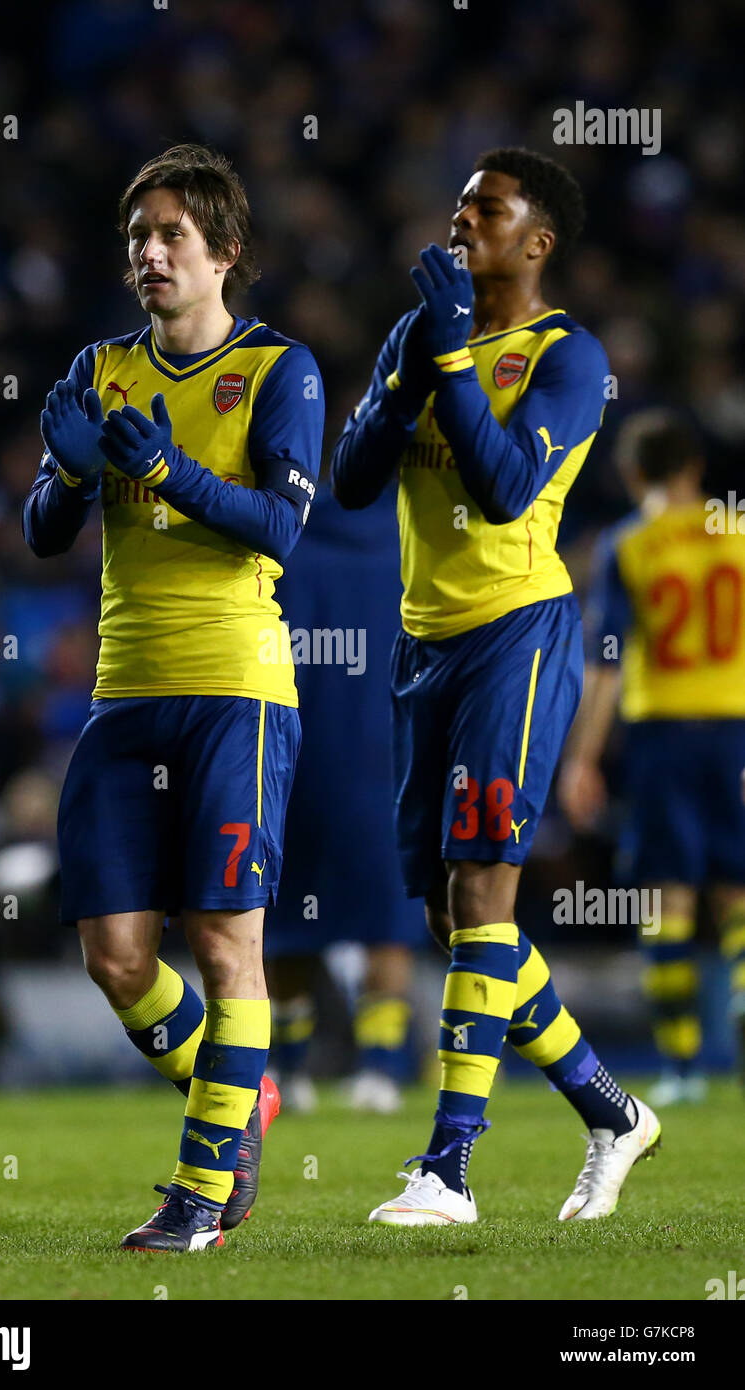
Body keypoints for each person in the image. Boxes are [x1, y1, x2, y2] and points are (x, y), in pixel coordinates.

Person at [332, 147, 660, 1225]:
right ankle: (610, 1111)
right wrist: (410, 370)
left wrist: (451, 364)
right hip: (421, 643)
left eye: (488, 206)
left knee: (482, 896)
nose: (462, 217)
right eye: (461, 201)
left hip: (515, 634)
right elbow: (351, 476)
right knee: (447, 915)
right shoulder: (420, 329)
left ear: (536, 241)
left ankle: (447, 1168)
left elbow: (510, 484)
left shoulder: (567, 355)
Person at [23, 144, 324, 1251]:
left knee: (221, 938)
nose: (149, 254)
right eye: (138, 239)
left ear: (223, 256)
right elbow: (45, 533)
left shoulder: (282, 369)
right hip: (123, 690)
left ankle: (203, 1197)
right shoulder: (101, 366)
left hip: (236, 688)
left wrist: (165, 475)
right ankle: (234, 1092)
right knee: (113, 953)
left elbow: (281, 527)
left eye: (172, 238)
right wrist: (60, 476)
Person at [560, 408, 745, 1103]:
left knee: (665, 899)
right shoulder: (738, 532)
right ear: (696, 466)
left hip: (662, 733)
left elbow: (606, 662)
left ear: (633, 473)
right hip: (735, 729)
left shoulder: (630, 543)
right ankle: (741, 989)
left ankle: (683, 1069)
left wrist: (581, 758)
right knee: (736, 890)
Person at [264, 483, 428, 1114]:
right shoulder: (409, 542)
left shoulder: (286, 542)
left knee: (289, 924)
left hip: (298, 756)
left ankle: (290, 1070)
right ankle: (381, 1071)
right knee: (385, 921)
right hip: (388, 760)